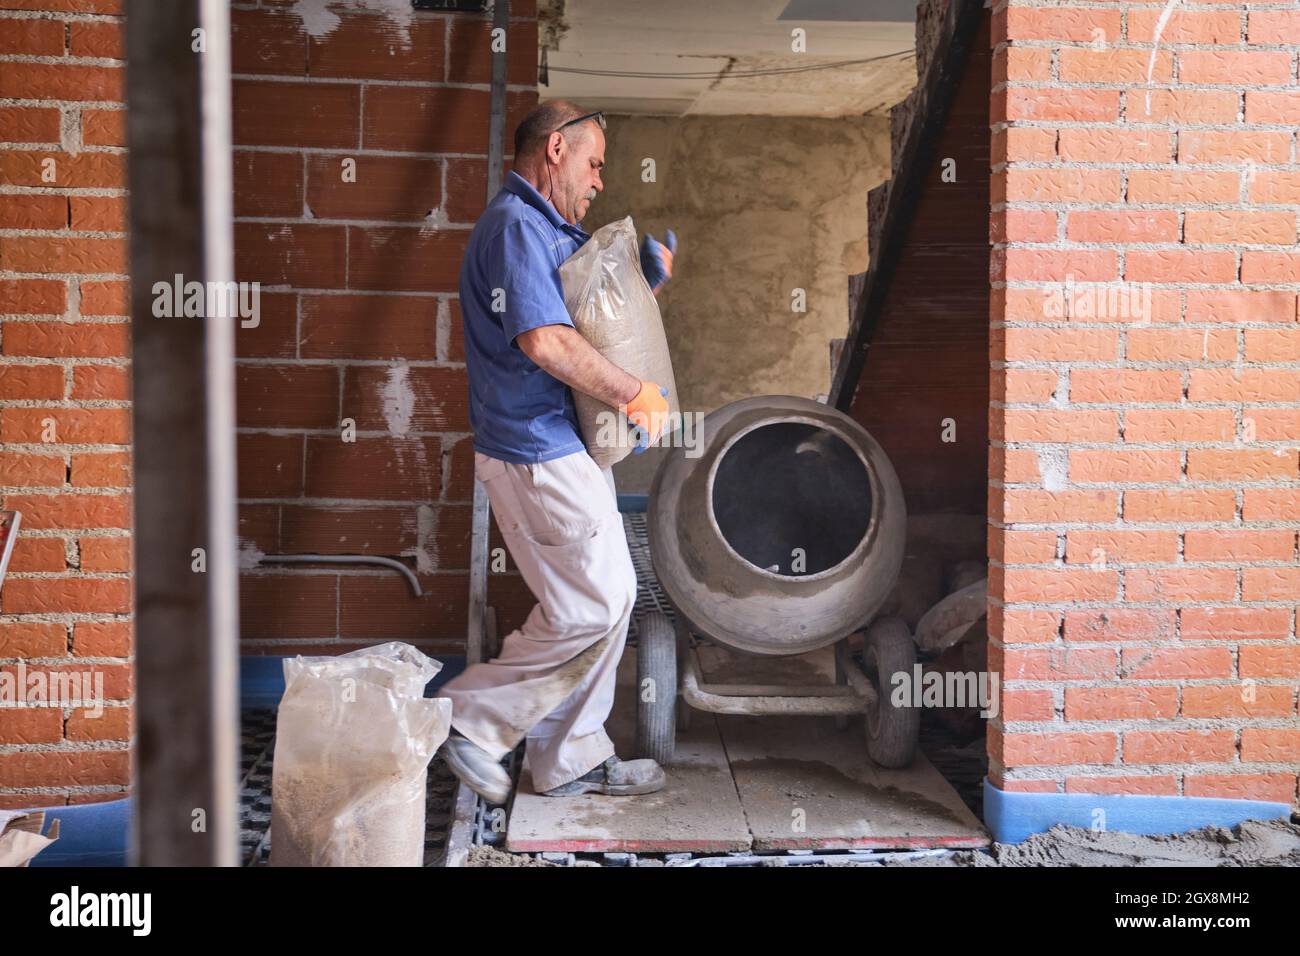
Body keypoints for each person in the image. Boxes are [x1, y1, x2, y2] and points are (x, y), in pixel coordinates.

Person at [436, 101, 678, 802]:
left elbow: (581, 318)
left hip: (558, 444)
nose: (599, 180)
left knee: (612, 596)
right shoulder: (514, 226)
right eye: (593, 162)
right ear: (553, 152)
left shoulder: (544, 230)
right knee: (591, 604)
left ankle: (566, 757)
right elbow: (544, 340)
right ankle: (474, 722)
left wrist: (644, 285)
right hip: (534, 450)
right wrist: (636, 393)